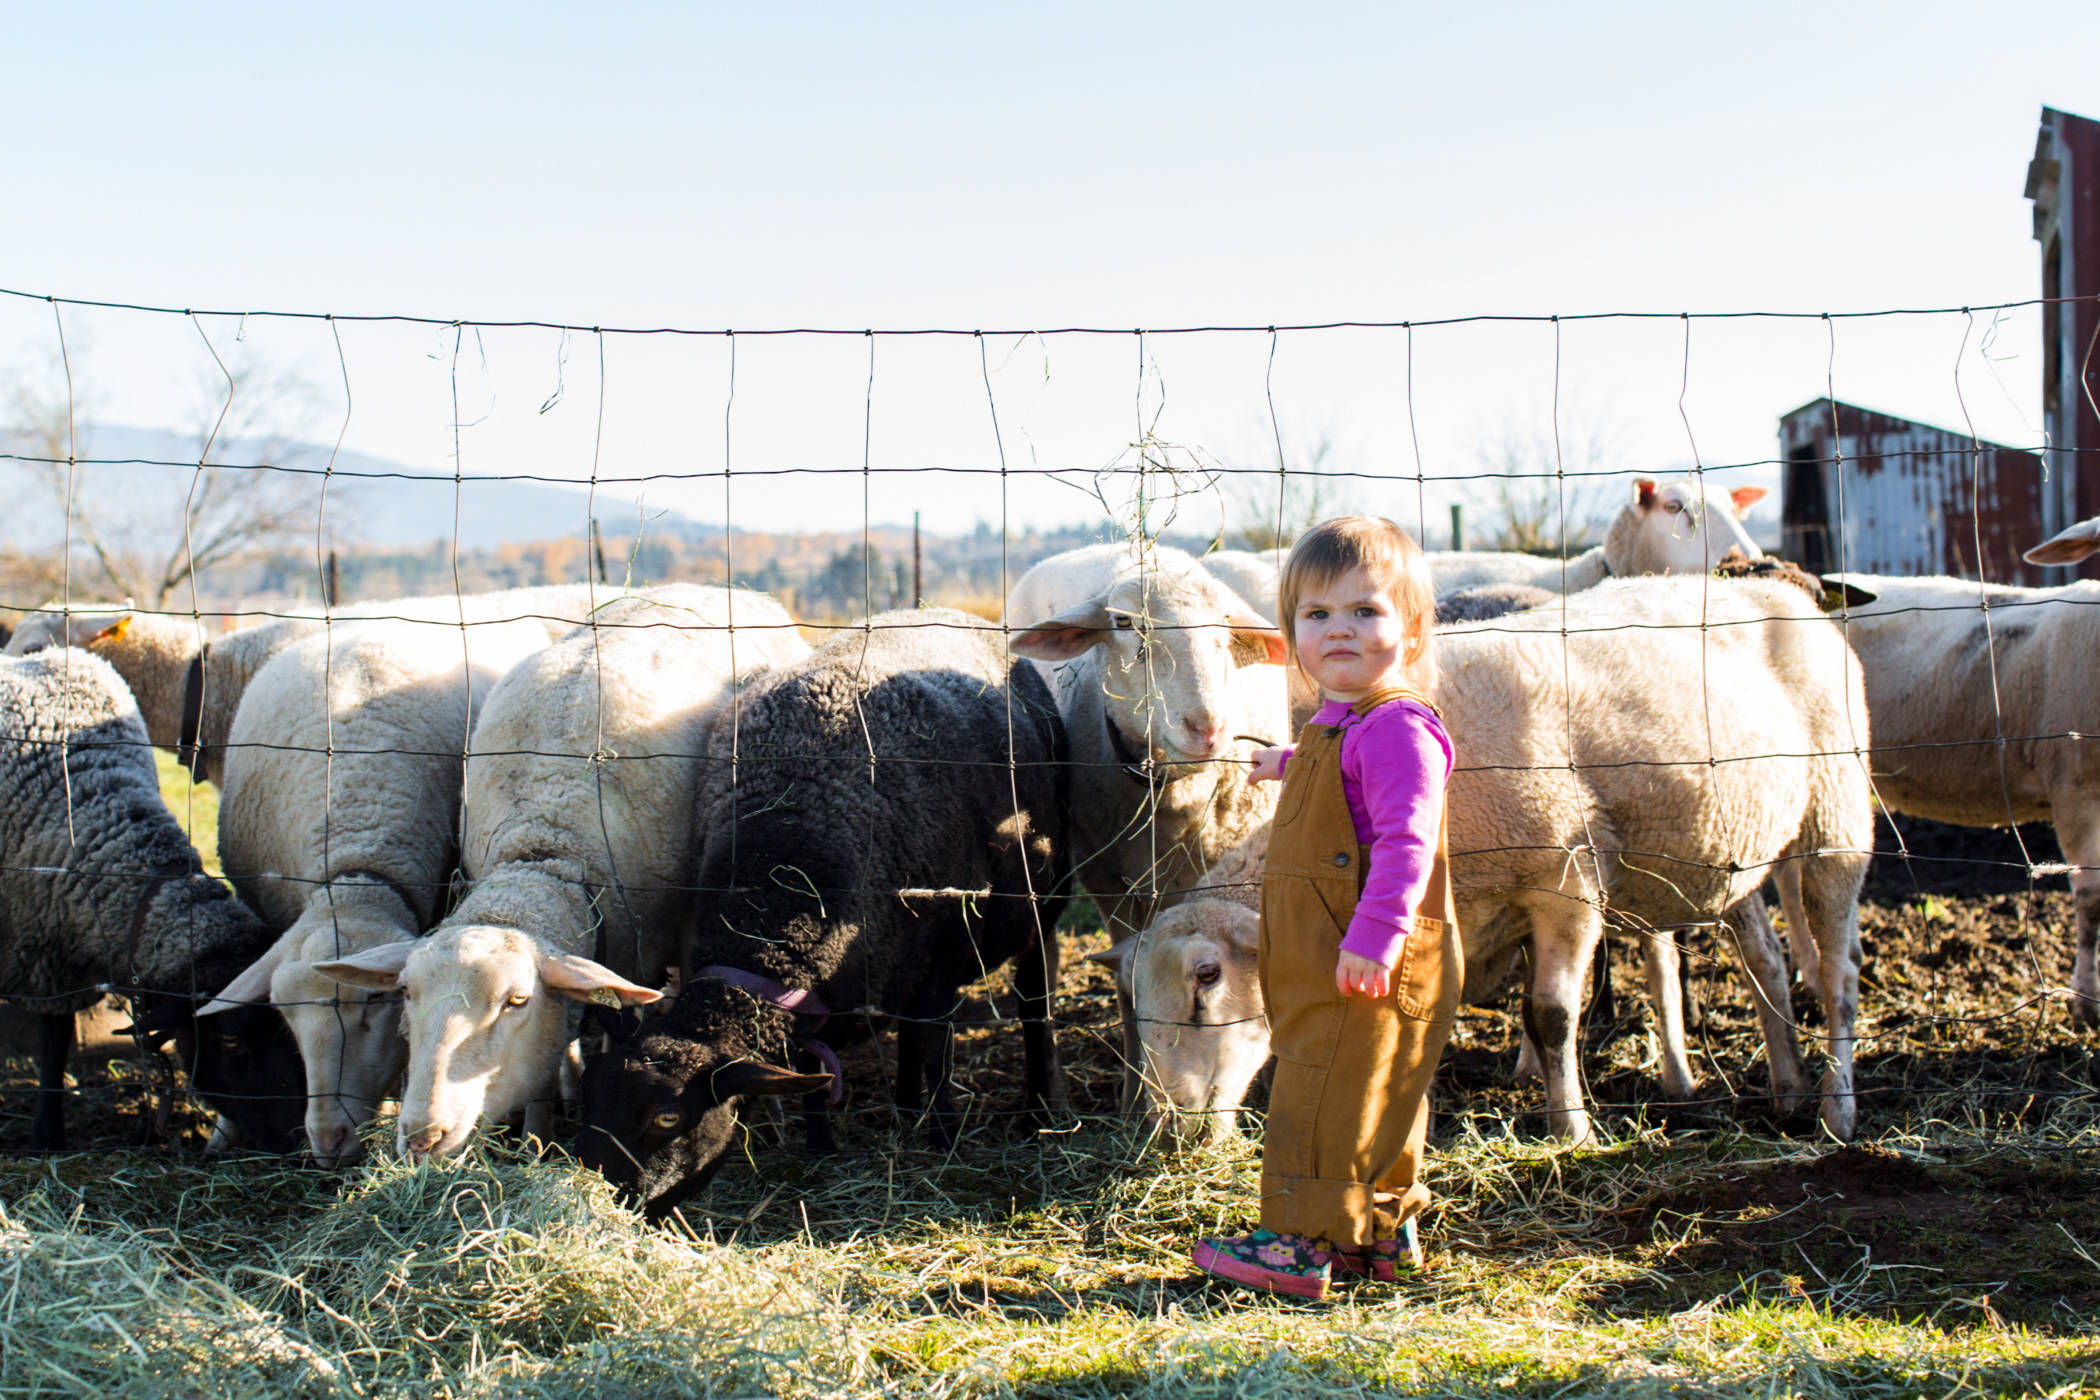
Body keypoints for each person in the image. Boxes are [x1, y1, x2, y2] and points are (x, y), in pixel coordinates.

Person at [1189, 515, 1465, 1300]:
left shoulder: (1398, 730)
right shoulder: (1343, 722)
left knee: (1315, 1090)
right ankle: (1381, 1234)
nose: (1338, 630)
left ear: (1411, 631)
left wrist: (1376, 938)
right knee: (1372, 1092)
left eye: (1365, 612)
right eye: (1316, 615)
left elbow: (1408, 845)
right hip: (1334, 950)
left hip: (1365, 950)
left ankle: (1296, 1242)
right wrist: (1286, 762)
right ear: (1291, 633)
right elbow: (1332, 764)